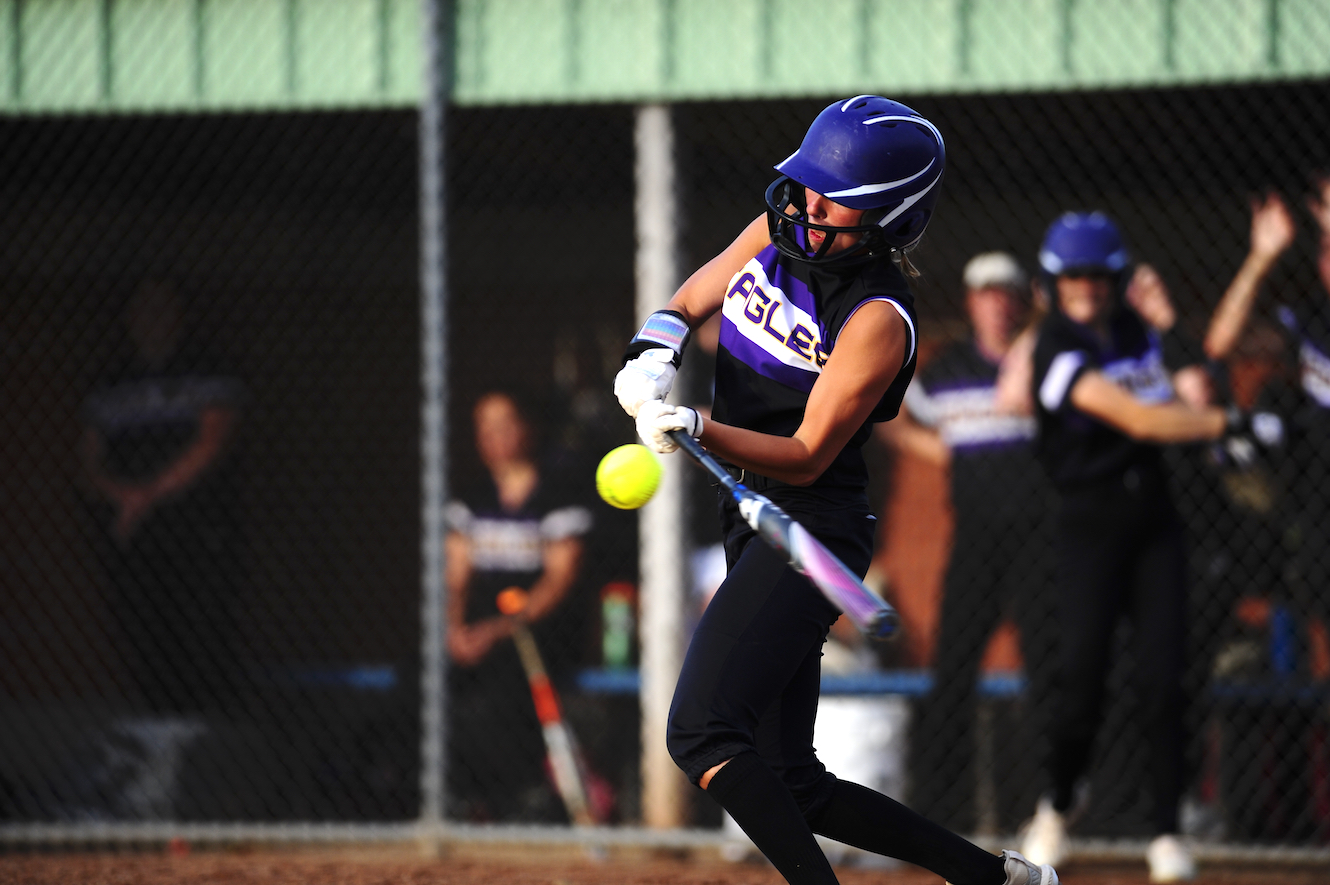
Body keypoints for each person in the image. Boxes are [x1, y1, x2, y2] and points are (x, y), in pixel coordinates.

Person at [615, 96, 1056, 885]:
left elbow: (809, 452)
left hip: (811, 526)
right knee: (794, 780)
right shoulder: (776, 234)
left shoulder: (879, 316)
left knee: (705, 734)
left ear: (890, 219)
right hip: (751, 513)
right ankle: (999, 880)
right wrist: (654, 352)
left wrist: (699, 424)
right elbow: (686, 301)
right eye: (807, 184)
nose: (808, 204)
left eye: (835, 198)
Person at [1018, 212, 1240, 883]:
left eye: (1098, 276)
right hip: (1086, 527)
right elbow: (1144, 415)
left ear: (1116, 278)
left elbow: (1199, 382)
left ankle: (1167, 827)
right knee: (1080, 678)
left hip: (1155, 524)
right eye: (1073, 277)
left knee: (1165, 678)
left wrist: (1170, 323)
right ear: (1053, 284)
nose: (1086, 288)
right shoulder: (1052, 346)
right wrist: (1231, 421)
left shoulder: (1136, 331)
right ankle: (1057, 803)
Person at [880, 251, 1057, 833]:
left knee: (1049, 673)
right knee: (952, 669)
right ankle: (936, 814)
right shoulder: (947, 367)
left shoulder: (1046, 363)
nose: (997, 304)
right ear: (971, 302)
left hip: (1040, 542)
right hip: (976, 540)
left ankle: (1047, 811)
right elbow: (894, 420)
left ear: (1022, 301)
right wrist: (952, 452)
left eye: (1007, 293)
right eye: (986, 293)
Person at [82, 280, 243, 715]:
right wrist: (122, 495)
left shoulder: (206, 370)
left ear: (179, 315)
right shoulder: (110, 382)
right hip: (132, 531)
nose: (152, 320)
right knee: (142, 628)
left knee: (199, 627)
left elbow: (212, 441)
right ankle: (155, 723)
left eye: (162, 308)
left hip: (196, 527)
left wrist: (149, 494)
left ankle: (200, 726)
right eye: (142, 310)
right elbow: (87, 461)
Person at [444, 391, 595, 822]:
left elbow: (558, 581)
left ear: (528, 428)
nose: (495, 437)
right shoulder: (471, 498)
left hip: (538, 632)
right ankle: (450, 796)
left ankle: (519, 797)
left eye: (506, 425)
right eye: (485, 428)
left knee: (499, 693)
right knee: (420, 680)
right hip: (474, 633)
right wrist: (454, 630)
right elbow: (453, 578)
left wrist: (495, 630)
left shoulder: (557, 493)